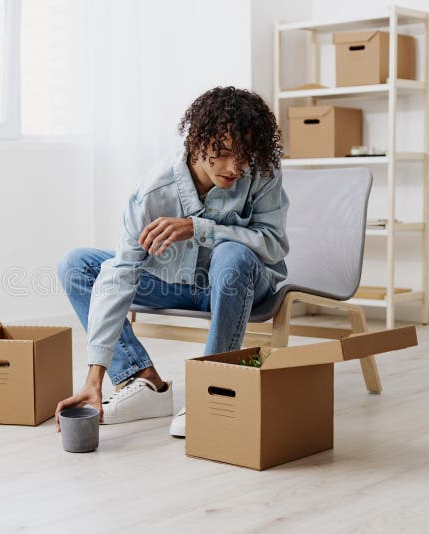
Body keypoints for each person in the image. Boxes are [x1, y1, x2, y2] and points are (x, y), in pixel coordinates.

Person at [54, 87, 289, 438]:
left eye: (244, 156)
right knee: (77, 265)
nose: (235, 167)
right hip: (174, 285)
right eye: (223, 153)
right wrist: (93, 380)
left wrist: (200, 228)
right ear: (197, 142)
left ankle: (211, 390)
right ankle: (142, 379)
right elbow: (121, 273)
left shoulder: (261, 173)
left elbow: (273, 245)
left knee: (232, 255)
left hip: (240, 286)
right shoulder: (154, 191)